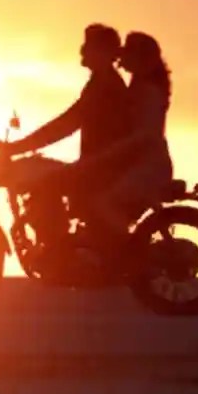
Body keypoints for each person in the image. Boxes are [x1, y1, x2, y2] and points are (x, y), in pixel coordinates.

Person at [0, 23, 131, 207]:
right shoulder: (101, 82)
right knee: (41, 176)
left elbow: (66, 125)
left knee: (45, 181)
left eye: (89, 46)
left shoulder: (104, 86)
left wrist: (17, 147)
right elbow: (68, 122)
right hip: (99, 166)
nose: (83, 50)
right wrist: (20, 147)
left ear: (102, 52)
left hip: (102, 170)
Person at [74, 31, 175, 250]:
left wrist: (106, 155)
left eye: (128, 52)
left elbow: (143, 135)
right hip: (141, 165)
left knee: (102, 204)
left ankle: (127, 253)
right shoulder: (139, 87)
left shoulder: (147, 92)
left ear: (141, 58)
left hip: (148, 168)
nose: (121, 58)